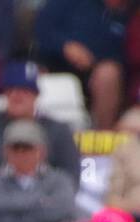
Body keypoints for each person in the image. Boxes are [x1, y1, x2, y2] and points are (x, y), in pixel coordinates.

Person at [0, 62, 82, 190]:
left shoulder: (58, 131)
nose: (16, 95)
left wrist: (53, 200)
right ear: (4, 94)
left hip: (44, 204)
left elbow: (71, 177)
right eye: (11, 90)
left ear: (36, 95)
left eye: (25, 91)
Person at [34, 0, 127, 130]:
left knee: (109, 74)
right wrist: (65, 46)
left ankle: (103, 137)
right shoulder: (69, 3)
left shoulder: (130, 12)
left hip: (99, 71)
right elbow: (42, 30)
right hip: (56, 64)